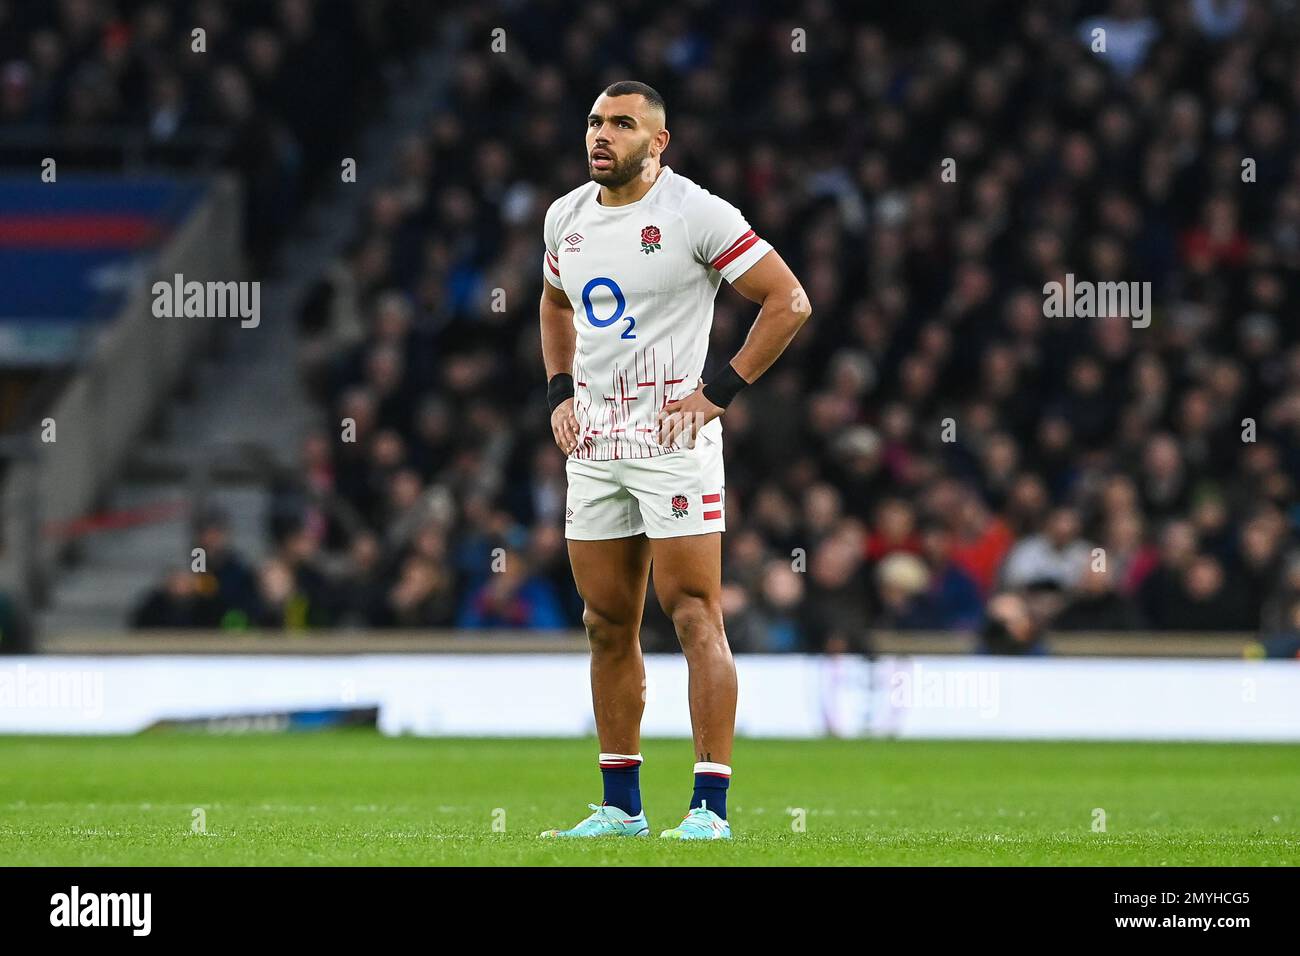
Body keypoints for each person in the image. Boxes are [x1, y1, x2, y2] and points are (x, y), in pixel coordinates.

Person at [537, 81, 812, 841]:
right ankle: (621, 806)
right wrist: (559, 392)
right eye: (594, 121)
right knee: (604, 622)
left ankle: (709, 809)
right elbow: (556, 303)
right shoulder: (566, 215)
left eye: (622, 124)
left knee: (693, 613)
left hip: (672, 445)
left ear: (659, 142)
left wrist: (717, 393)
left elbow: (787, 300)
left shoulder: (696, 212)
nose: (602, 135)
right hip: (593, 445)